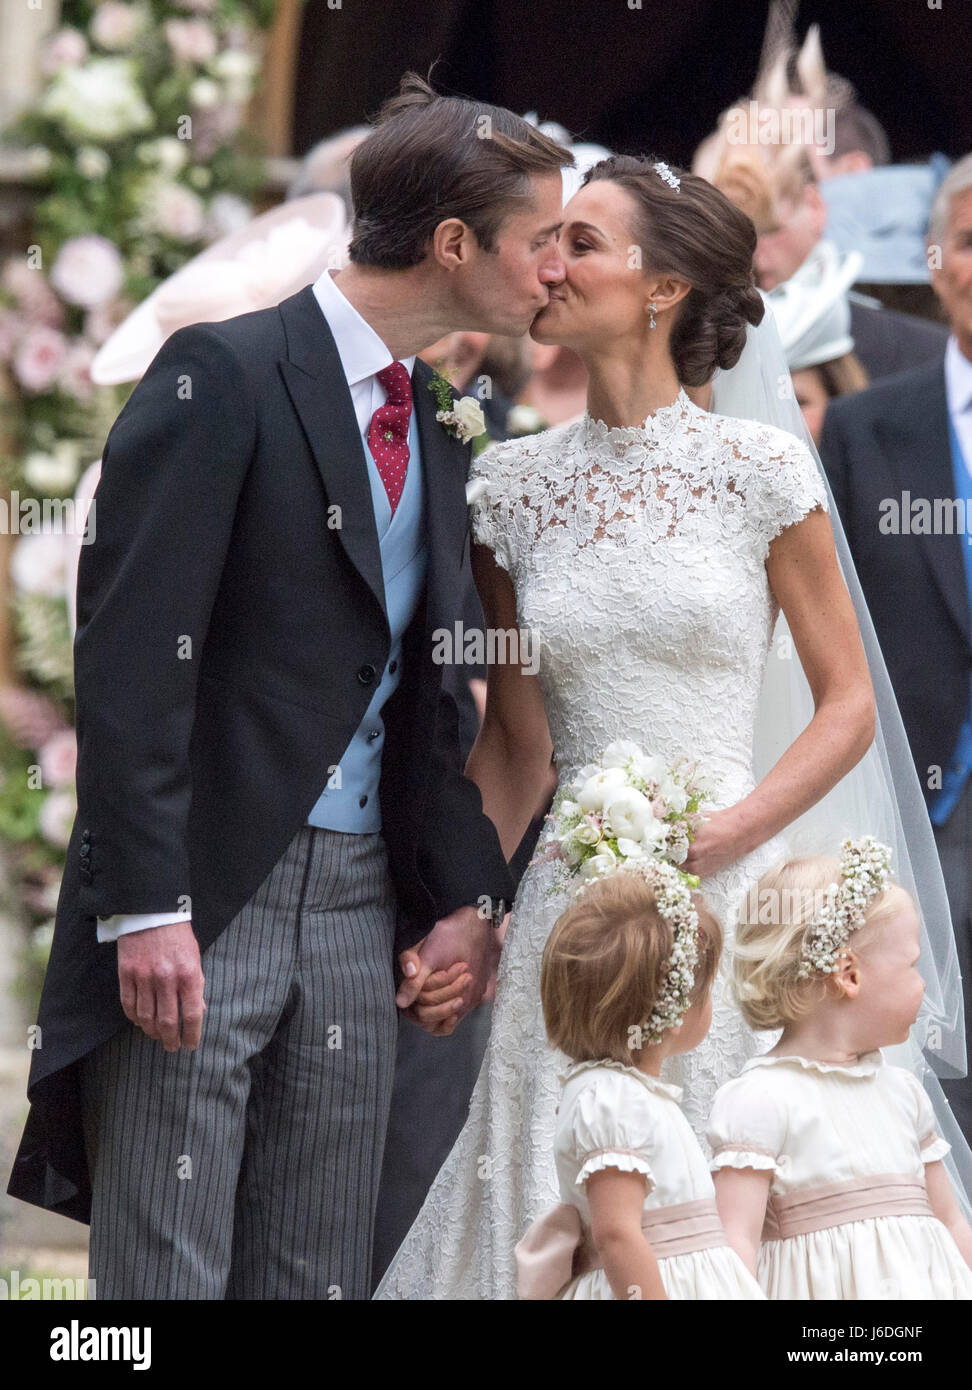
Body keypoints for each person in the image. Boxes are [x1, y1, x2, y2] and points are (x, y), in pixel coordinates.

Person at [6, 72, 573, 1299]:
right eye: (540, 244)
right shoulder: (223, 375)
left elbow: (425, 702)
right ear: (455, 243)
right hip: (207, 902)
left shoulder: (439, 418)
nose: (557, 274)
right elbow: (130, 655)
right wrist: (145, 903)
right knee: (164, 1281)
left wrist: (464, 897)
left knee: (318, 1273)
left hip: (364, 913)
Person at [375, 153, 885, 1300]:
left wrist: (730, 830)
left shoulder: (761, 468)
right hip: (576, 910)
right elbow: (516, 745)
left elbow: (846, 701)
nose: (547, 266)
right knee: (552, 1183)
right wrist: (472, 907)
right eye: (548, 242)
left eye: (581, 244)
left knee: (732, 1193)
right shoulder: (507, 491)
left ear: (661, 288)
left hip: (733, 888)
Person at [819, 153, 972, 1146]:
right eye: (967, 239)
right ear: (939, 260)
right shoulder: (868, 427)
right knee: (924, 1083)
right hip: (921, 814)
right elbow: (825, 626)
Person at [710, 840, 972, 1299]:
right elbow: (735, 1247)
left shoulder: (904, 1093)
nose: (924, 984)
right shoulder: (760, 1100)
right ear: (848, 973)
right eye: (912, 965)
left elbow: (950, 1219)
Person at [516, 860, 764, 1300]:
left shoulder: (632, 1094)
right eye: (702, 993)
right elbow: (617, 1234)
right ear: (669, 1014)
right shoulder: (608, 1099)